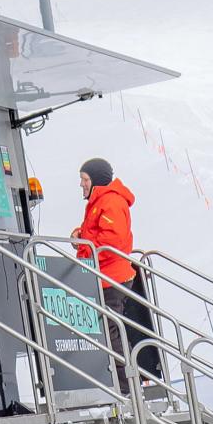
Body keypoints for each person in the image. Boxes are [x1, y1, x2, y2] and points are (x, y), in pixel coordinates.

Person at [74, 158, 163, 384]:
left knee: (110, 329)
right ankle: (128, 379)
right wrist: (80, 234)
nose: (81, 184)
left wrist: (83, 243)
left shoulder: (110, 201)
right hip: (105, 276)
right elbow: (96, 232)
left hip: (112, 278)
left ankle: (126, 383)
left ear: (96, 180)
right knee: (111, 328)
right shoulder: (99, 201)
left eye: (85, 179)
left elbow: (111, 241)